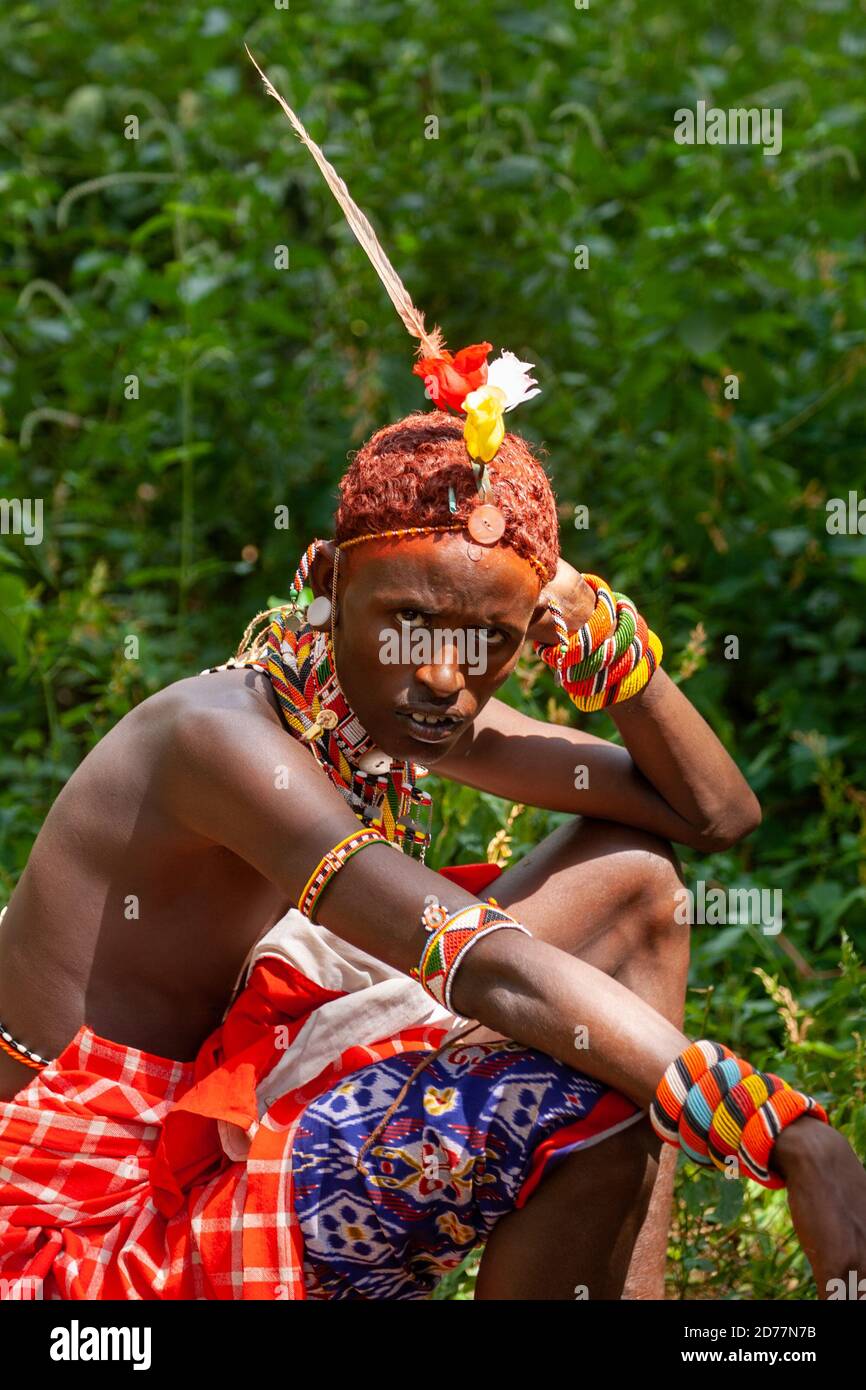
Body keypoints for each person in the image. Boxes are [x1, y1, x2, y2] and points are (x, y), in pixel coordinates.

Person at [1, 56, 863, 1302]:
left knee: (636, 884)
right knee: (580, 1090)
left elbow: (708, 817)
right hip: (89, 1215)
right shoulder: (220, 736)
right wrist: (789, 1132)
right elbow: (476, 961)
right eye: (406, 621)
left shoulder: (403, 702)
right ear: (322, 583)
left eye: (487, 645)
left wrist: (592, 632)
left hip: (231, 1093)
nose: (442, 678)